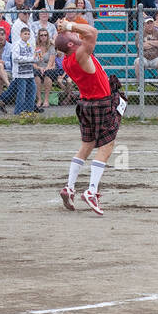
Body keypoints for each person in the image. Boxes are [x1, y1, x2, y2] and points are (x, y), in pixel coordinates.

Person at [56, 17, 123, 216]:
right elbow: (92, 32)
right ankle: (92, 191)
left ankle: (69, 187)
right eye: (72, 36)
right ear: (70, 44)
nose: (77, 35)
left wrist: (68, 25)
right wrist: (68, 26)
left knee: (86, 145)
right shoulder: (80, 53)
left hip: (85, 103)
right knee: (106, 146)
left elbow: (84, 32)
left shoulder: (67, 59)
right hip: (100, 103)